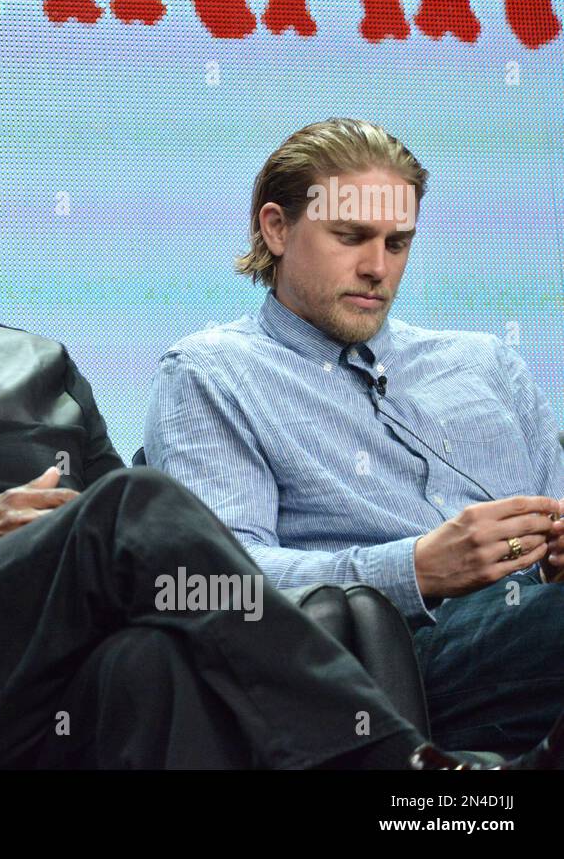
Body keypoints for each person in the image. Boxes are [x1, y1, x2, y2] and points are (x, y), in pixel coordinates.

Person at [0, 99, 562, 768]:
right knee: (133, 507)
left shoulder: (39, 371)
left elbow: (145, 569)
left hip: (57, 691)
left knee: (154, 657)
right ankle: (396, 770)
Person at [145, 117, 564, 755]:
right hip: (393, 662)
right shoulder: (215, 372)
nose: (377, 268)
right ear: (277, 228)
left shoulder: (486, 363)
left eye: (397, 244)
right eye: (351, 237)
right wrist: (415, 569)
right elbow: (219, 578)